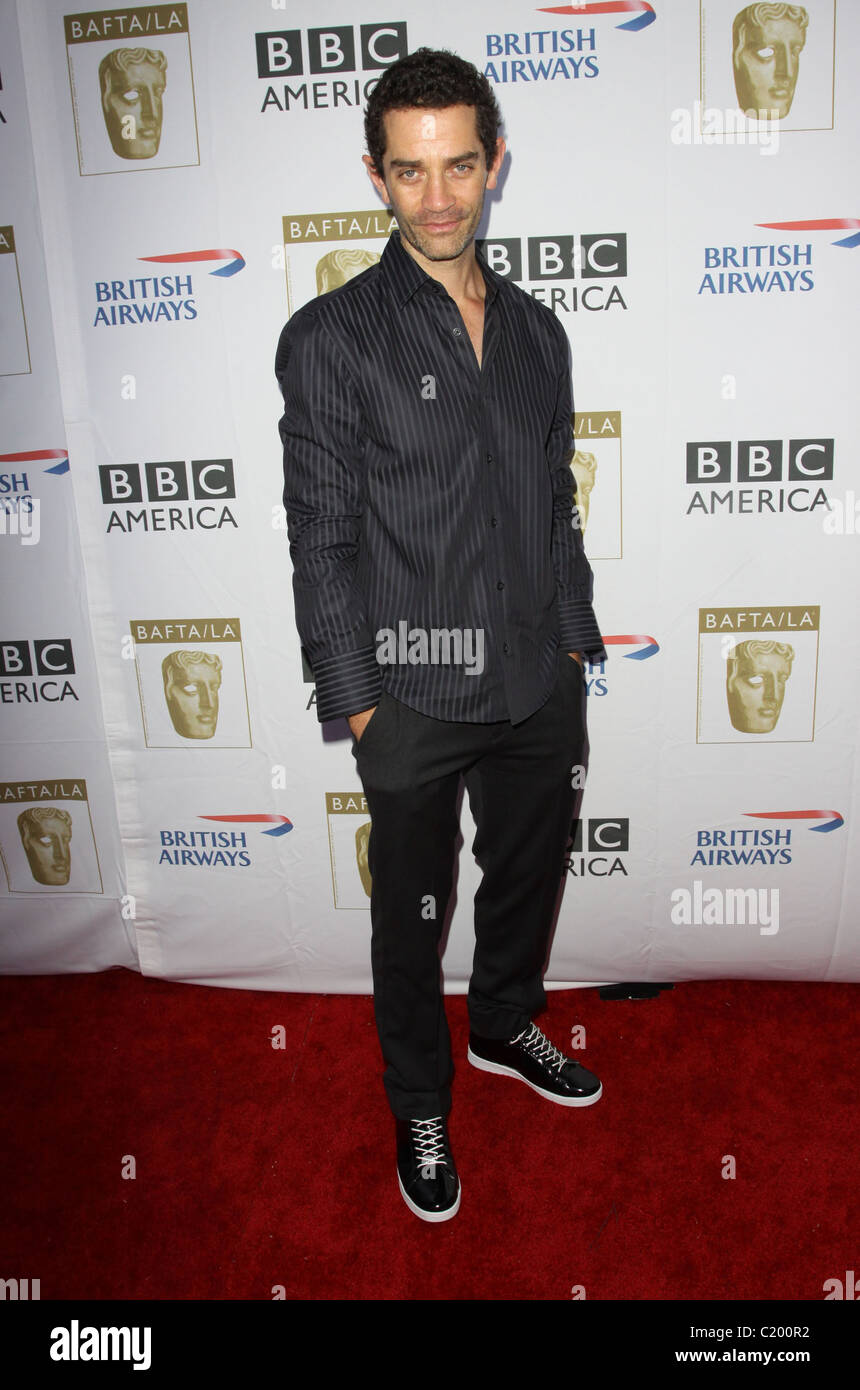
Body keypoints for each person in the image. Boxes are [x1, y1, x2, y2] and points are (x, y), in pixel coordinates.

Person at [276, 47, 606, 1222]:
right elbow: (319, 539)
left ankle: (506, 1021)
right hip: (406, 702)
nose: (436, 197)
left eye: (457, 164)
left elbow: (552, 500)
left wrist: (572, 644)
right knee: (408, 925)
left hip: (534, 680)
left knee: (523, 873)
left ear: (493, 162)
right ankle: (419, 1094)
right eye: (409, 171)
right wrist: (362, 707)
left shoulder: (537, 334)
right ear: (376, 175)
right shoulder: (332, 339)